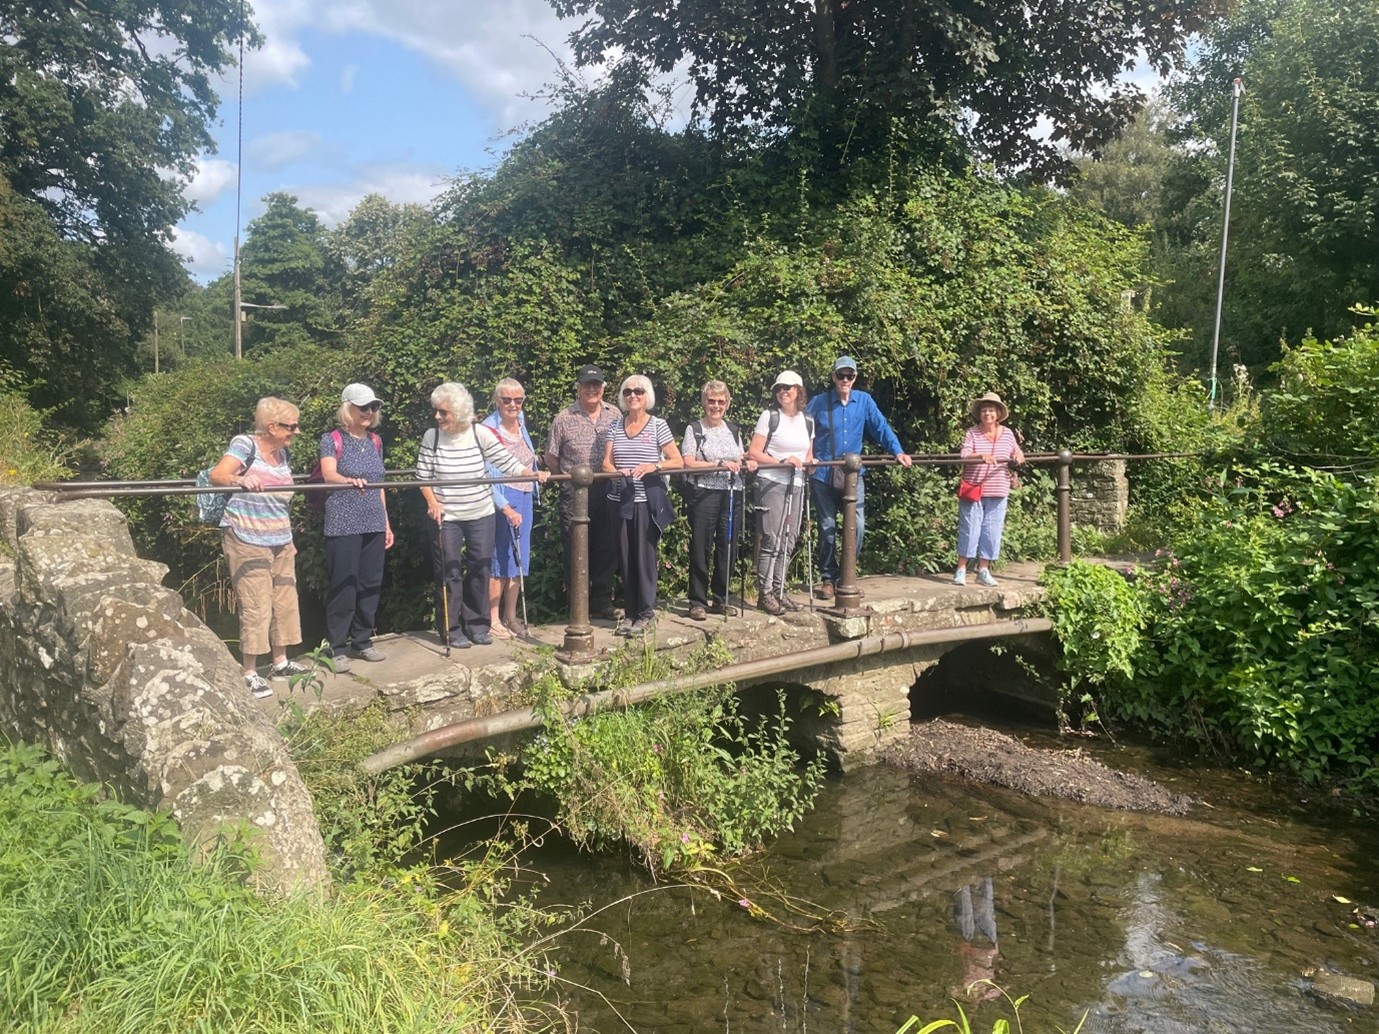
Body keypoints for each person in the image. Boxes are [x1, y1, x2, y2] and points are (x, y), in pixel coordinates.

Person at [417, 382, 548, 648]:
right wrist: (432, 502)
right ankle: (451, 630)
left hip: (480, 513)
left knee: (480, 567)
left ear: (459, 411)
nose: (437, 417)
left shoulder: (480, 434)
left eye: (443, 412)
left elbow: (506, 461)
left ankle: (477, 625)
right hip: (448, 515)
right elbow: (423, 477)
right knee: (449, 571)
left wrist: (531, 473)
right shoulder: (432, 437)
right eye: (437, 411)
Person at [208, 397, 308, 698]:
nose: (297, 431)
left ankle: (280, 662)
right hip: (246, 536)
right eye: (291, 426)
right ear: (271, 426)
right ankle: (249, 671)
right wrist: (242, 478)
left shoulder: (282, 455)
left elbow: (281, 503)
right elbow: (217, 476)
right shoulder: (245, 444)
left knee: (285, 600)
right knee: (255, 603)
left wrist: (289, 539)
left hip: (279, 537)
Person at [806, 355, 912, 599]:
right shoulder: (819, 403)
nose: (845, 379)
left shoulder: (864, 401)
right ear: (833, 377)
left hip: (854, 476)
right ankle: (828, 579)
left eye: (849, 375)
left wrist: (897, 451)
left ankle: (847, 576)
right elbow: (802, 429)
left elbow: (880, 427)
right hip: (823, 473)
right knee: (827, 527)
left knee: (859, 526)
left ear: (855, 378)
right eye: (841, 375)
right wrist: (804, 456)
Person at [317, 383, 394, 672]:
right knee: (344, 584)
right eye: (364, 407)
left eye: (374, 407)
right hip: (343, 522)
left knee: (370, 583)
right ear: (347, 408)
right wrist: (349, 481)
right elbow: (328, 473)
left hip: (373, 519)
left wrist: (386, 523)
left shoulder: (375, 441)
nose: (370, 412)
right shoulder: (332, 439)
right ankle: (335, 647)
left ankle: (362, 641)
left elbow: (380, 485)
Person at [601, 374, 682, 637]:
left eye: (638, 391)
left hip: (647, 501)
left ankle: (646, 614)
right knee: (625, 558)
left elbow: (677, 460)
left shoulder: (658, 425)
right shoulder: (615, 426)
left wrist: (654, 466)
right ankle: (631, 613)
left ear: (647, 396)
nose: (632, 396)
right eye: (627, 392)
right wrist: (616, 471)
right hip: (620, 499)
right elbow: (606, 463)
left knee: (644, 557)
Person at [544, 365, 621, 619]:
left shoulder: (615, 414)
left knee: (606, 547)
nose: (592, 389)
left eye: (596, 385)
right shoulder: (563, 418)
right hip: (575, 493)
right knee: (575, 548)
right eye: (587, 385)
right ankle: (576, 606)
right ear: (578, 387)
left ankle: (601, 601)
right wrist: (568, 483)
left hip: (607, 489)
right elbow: (551, 458)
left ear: (603, 388)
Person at [680, 380, 756, 620]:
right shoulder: (695, 429)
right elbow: (688, 462)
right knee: (701, 546)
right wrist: (718, 465)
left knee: (728, 545)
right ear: (704, 402)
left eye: (720, 402)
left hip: (732, 492)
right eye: (711, 401)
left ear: (727, 404)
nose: (716, 406)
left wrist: (747, 463)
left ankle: (721, 598)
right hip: (704, 492)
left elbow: (739, 457)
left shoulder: (732, 429)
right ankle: (697, 601)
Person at [747, 371, 814, 616]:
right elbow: (754, 452)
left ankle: (779, 590)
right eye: (779, 388)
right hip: (771, 482)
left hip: (796, 484)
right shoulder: (769, 417)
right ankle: (765, 594)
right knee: (771, 539)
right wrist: (782, 460)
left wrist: (810, 462)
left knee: (789, 539)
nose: (783, 392)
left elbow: (807, 453)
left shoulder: (808, 420)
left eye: (788, 387)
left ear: (799, 390)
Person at [481, 378, 539, 638]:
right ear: (497, 401)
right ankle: (493, 619)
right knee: (499, 559)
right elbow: (485, 476)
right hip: (503, 498)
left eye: (518, 399)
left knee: (518, 558)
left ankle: (511, 616)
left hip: (525, 495)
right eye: (507, 399)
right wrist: (504, 506)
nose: (513, 404)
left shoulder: (522, 421)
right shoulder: (487, 430)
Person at [954, 391, 1025, 587]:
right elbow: (964, 454)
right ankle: (961, 570)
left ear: (998, 414)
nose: (988, 414)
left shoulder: (1008, 433)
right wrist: (980, 455)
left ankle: (983, 570)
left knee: (992, 531)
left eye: (991, 410)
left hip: (998, 489)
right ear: (980, 413)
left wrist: (1019, 456)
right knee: (970, 529)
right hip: (974, 488)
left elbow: (1015, 450)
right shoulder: (972, 433)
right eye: (985, 410)